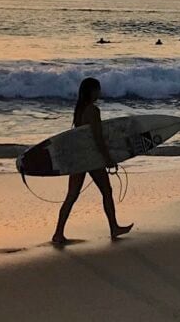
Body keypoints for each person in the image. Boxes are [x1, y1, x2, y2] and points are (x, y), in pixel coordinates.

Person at [52, 78, 132, 245]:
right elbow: (97, 138)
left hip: (78, 157)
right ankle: (114, 228)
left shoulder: (79, 110)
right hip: (91, 158)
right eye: (98, 89)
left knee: (72, 196)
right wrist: (107, 158)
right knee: (106, 191)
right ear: (92, 91)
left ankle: (58, 233)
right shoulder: (93, 110)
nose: (99, 92)